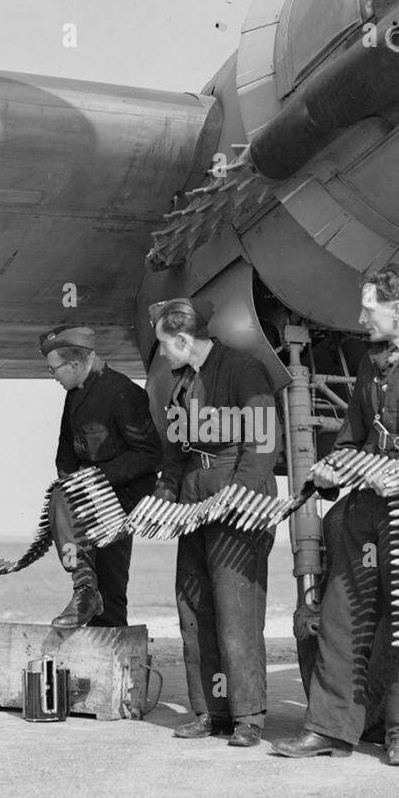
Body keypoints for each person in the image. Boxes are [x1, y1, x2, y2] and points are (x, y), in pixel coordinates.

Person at [271, 269, 399, 766]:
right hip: (368, 505)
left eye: (369, 309)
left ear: (398, 310)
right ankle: (329, 730)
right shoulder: (371, 364)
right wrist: (331, 469)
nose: (361, 319)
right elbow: (353, 438)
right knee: (341, 614)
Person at [152, 298, 279, 748]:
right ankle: (211, 712)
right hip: (193, 502)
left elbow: (262, 443)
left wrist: (235, 495)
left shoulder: (243, 370)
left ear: (184, 339)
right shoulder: (180, 384)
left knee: (236, 612)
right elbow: (173, 449)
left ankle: (247, 718)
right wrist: (167, 491)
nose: (163, 354)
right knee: (195, 608)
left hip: (237, 503)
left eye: (166, 345)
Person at [40, 325, 162, 628]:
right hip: (88, 498)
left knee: (110, 584)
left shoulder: (123, 393)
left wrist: (96, 478)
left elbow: (149, 455)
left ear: (75, 364)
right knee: (90, 583)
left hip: (119, 501)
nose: (53, 376)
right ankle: (84, 595)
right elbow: (66, 450)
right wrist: (70, 485)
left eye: (54, 369)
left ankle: (118, 661)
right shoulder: (76, 392)